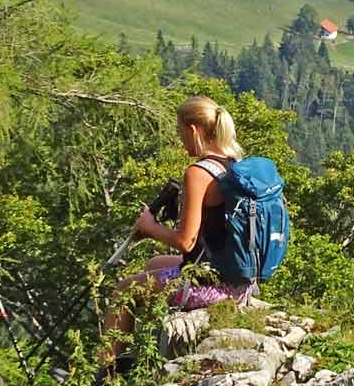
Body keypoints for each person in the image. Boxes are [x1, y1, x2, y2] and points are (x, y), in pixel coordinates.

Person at [101, 96, 255, 361]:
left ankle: (105, 374)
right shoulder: (233, 164)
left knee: (124, 290)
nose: (179, 138)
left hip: (214, 285)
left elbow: (186, 241)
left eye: (180, 131)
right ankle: (141, 349)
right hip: (240, 277)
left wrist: (149, 227)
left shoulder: (198, 172)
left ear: (193, 130)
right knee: (154, 264)